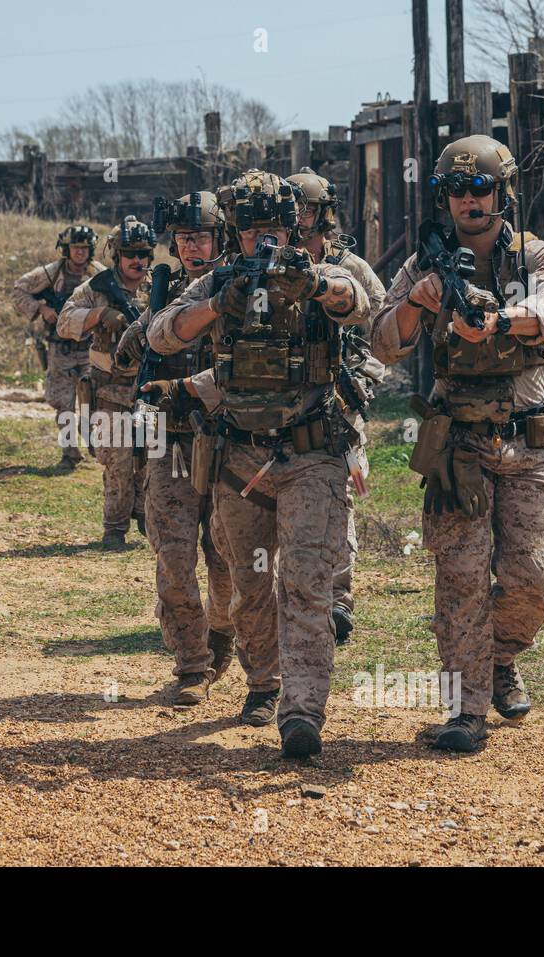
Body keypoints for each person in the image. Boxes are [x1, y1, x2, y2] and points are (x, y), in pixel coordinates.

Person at [146, 170, 372, 758]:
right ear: (235, 235)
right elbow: (161, 337)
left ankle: (303, 711)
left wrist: (315, 284)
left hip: (311, 453)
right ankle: (263, 684)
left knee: (306, 583)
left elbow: (359, 304)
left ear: (294, 224)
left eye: (276, 228)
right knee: (250, 587)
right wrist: (219, 303)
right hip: (237, 459)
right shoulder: (218, 282)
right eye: (252, 233)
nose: (265, 241)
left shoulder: (322, 273)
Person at [371, 135, 544, 752]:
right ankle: (466, 709)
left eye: (480, 188)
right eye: (457, 191)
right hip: (457, 447)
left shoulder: (538, 255)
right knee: (460, 579)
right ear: (445, 199)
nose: (469, 200)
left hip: (529, 443)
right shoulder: (424, 264)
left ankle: (500, 659)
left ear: (502, 191)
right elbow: (383, 341)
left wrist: (498, 318)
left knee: (532, 581)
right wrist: (417, 301)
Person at [113, 192, 234, 705]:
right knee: (174, 558)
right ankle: (190, 663)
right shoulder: (167, 295)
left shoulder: (237, 287)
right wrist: (139, 332)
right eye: (183, 238)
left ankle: (223, 640)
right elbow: (127, 361)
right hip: (171, 446)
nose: (191, 246)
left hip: (228, 443)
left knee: (228, 561)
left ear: (219, 238)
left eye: (201, 236)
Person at [288, 167, 388, 644]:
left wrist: (362, 374)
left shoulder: (350, 266)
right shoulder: (272, 261)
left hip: (339, 402)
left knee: (341, 496)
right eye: (292, 211)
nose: (299, 220)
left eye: (306, 211)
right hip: (286, 402)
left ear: (323, 214)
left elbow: (384, 326)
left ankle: (339, 599)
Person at [57, 216, 154, 547]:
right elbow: (64, 322)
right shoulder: (96, 288)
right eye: (130, 254)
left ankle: (145, 517)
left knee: (150, 460)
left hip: (150, 389)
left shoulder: (157, 286)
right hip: (109, 390)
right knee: (117, 462)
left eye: (143, 254)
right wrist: (99, 316)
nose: (137, 261)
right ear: (117, 255)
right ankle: (114, 528)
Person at [11, 225, 104, 471]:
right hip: (60, 349)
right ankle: (70, 454)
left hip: (90, 348)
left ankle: (96, 449)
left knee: (93, 402)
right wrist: (42, 309)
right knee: (63, 404)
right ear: (66, 249)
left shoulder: (99, 275)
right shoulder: (51, 274)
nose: (80, 253)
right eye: (76, 248)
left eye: (85, 248)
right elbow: (19, 290)